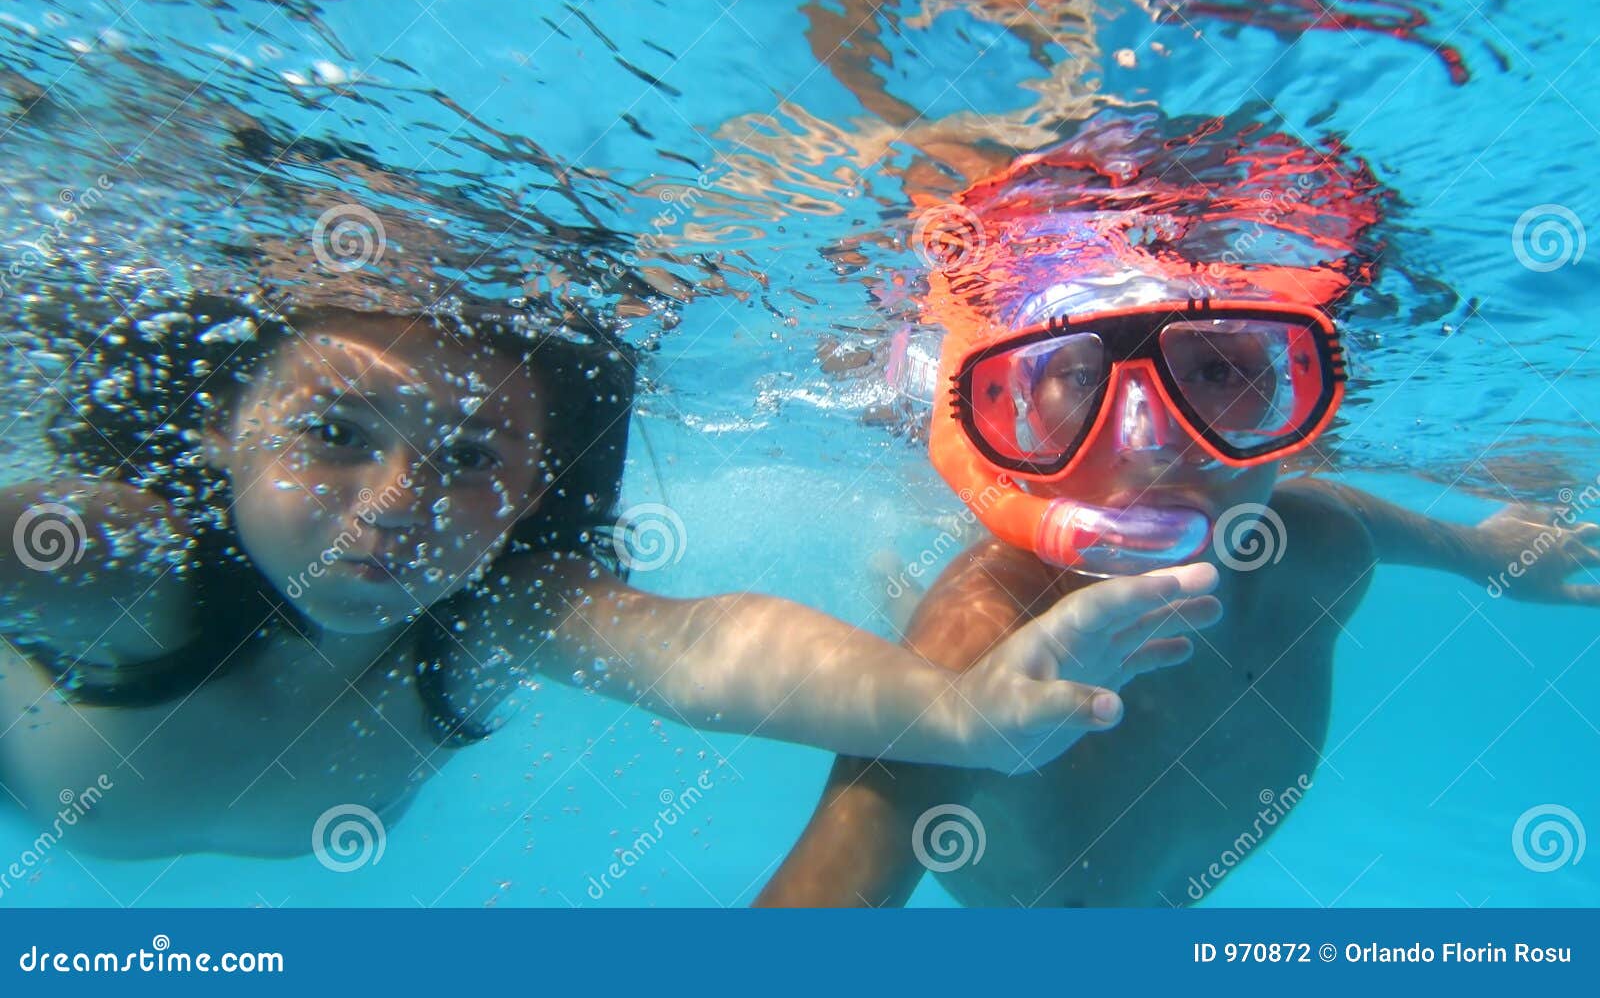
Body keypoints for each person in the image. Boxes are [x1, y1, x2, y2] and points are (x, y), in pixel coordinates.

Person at [0, 287, 1222, 863]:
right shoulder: (141, 566)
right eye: (334, 431)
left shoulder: (492, 604)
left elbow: (696, 649)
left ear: (537, 489)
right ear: (219, 420)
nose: (396, 508)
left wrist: (963, 711)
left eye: (476, 456)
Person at [757, 125, 1599, 907]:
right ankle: (892, 582)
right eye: (1080, 380)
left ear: (1292, 403)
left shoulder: (1316, 545)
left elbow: (1347, 513)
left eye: (1220, 370)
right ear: (1009, 410)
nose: (1151, 442)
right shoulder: (975, 645)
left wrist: (1489, 555)